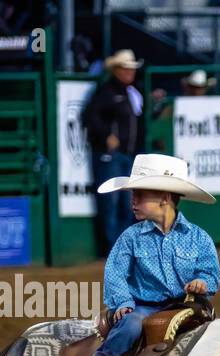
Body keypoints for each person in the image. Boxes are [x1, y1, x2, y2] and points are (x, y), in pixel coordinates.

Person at [95, 154, 219, 356]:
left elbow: (209, 273)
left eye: (141, 195)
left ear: (164, 198)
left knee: (215, 335)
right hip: (144, 307)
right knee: (131, 325)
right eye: (133, 194)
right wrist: (124, 302)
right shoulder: (131, 237)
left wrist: (202, 283)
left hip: (188, 306)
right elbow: (115, 272)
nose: (133, 201)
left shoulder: (198, 238)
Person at [83, 49, 146, 253]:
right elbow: (91, 117)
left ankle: (121, 247)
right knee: (111, 203)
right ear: (117, 70)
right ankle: (113, 247)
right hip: (112, 156)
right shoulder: (107, 92)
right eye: (127, 69)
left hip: (126, 155)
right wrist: (106, 136)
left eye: (132, 69)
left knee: (126, 204)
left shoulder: (131, 93)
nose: (131, 72)